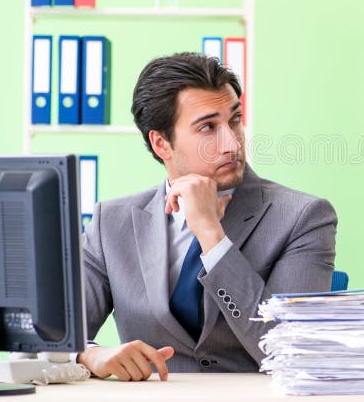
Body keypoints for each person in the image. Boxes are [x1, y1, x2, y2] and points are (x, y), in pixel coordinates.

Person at [79, 52, 337, 380]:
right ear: (161, 144)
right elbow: (52, 338)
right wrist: (90, 354)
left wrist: (211, 235)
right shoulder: (111, 223)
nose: (232, 143)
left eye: (235, 120)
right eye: (208, 127)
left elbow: (291, 351)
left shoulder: (304, 218)